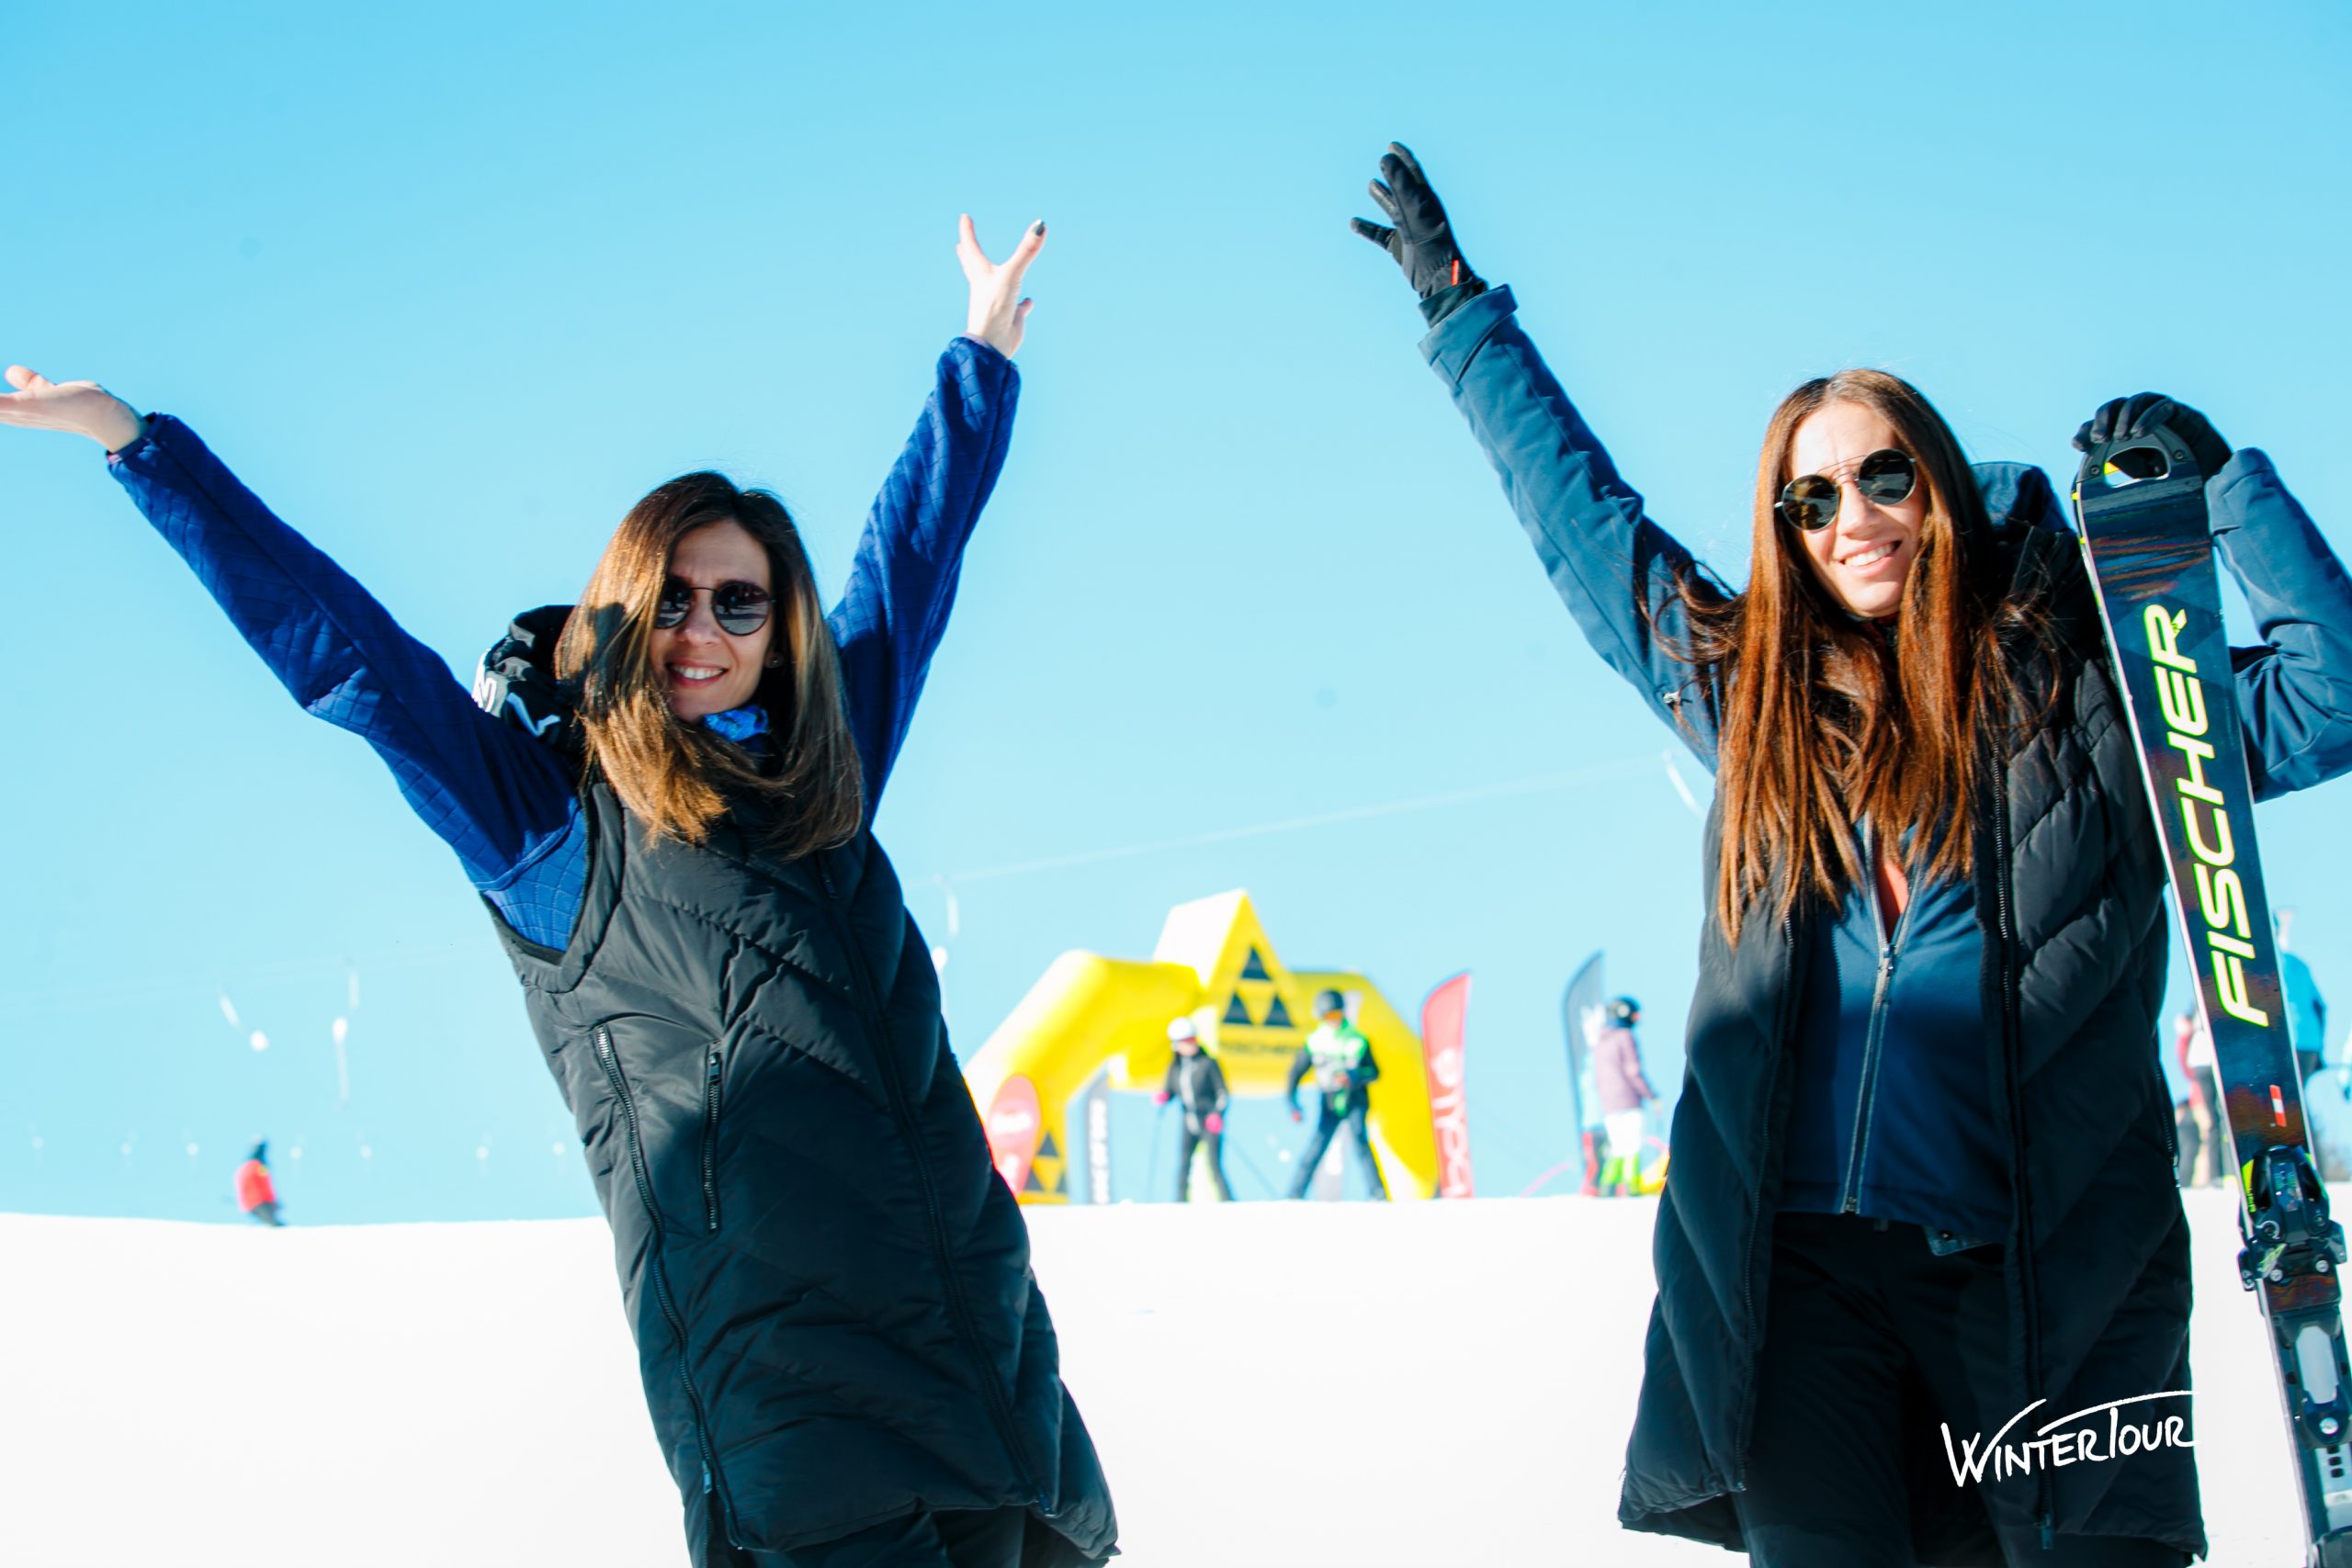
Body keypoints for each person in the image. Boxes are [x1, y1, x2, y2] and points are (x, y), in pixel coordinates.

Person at [0, 216, 1115, 1568]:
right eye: (676, 599)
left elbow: (913, 560)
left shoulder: (825, 784)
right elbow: (353, 659)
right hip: (805, 1457)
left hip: (1002, 1415)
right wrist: (137, 442)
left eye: (742, 603)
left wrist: (979, 353)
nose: (705, 630)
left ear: (781, 631)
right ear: (625, 611)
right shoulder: (552, 832)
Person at [1355, 141, 2352, 1565]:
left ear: (1936, 483)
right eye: (1811, 499)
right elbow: (1592, 537)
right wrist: (1461, 318)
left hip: (2038, 1284)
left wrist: (2218, 500)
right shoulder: (1755, 709)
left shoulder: (2105, 698)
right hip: (1803, 1286)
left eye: (1882, 476)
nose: (1853, 517)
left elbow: (2333, 691)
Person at [1283, 990, 1388, 1201]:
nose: (1334, 1021)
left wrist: (1354, 1076)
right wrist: (1293, 1104)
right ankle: (1294, 1195)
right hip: (1329, 1101)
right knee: (1318, 1144)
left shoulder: (1357, 1040)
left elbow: (1374, 1072)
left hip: (1355, 1098)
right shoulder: (1315, 1041)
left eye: (1337, 1015)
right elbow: (1294, 1074)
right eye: (1329, 1016)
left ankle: (1377, 1192)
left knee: (1360, 1141)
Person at [1155, 1017, 1233, 1201]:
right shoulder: (1175, 1067)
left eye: (1193, 1039)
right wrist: (1164, 1096)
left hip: (1207, 1120)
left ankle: (1228, 1202)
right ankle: (1180, 1203)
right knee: (1183, 1164)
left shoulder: (1208, 1063)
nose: (1191, 1044)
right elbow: (1171, 1089)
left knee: (1214, 1165)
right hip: (1188, 1120)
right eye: (1186, 1041)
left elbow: (1223, 1094)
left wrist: (1217, 1114)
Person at [1593, 998, 1657, 1197]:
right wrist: (1651, 1094)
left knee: (1617, 1145)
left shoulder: (1600, 1041)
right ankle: (1631, 1185)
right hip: (1628, 1099)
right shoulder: (1625, 1036)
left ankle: (1607, 1185)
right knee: (1632, 1144)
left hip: (1608, 1103)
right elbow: (1633, 1070)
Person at [2278, 908, 2329, 1091]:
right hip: (2310, 1042)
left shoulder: (2260, 967)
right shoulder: (2299, 965)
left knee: (2284, 1097)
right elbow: (2321, 1007)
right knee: (2297, 1097)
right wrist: (2320, 1050)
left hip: (2283, 1043)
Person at [2173, 1010, 2222, 1189]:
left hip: (2202, 1087)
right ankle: (2206, 1178)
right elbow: (2187, 1065)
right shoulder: (2194, 1038)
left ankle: (2208, 1177)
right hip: (2199, 1093)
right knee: (2207, 1130)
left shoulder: (2195, 1037)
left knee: (2209, 1131)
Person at [234, 1140, 283, 1226]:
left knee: (273, 1224)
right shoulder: (260, 1166)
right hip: (260, 1202)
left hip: (248, 1204)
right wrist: (273, 1201)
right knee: (277, 1226)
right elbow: (265, 1184)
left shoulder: (245, 1166)